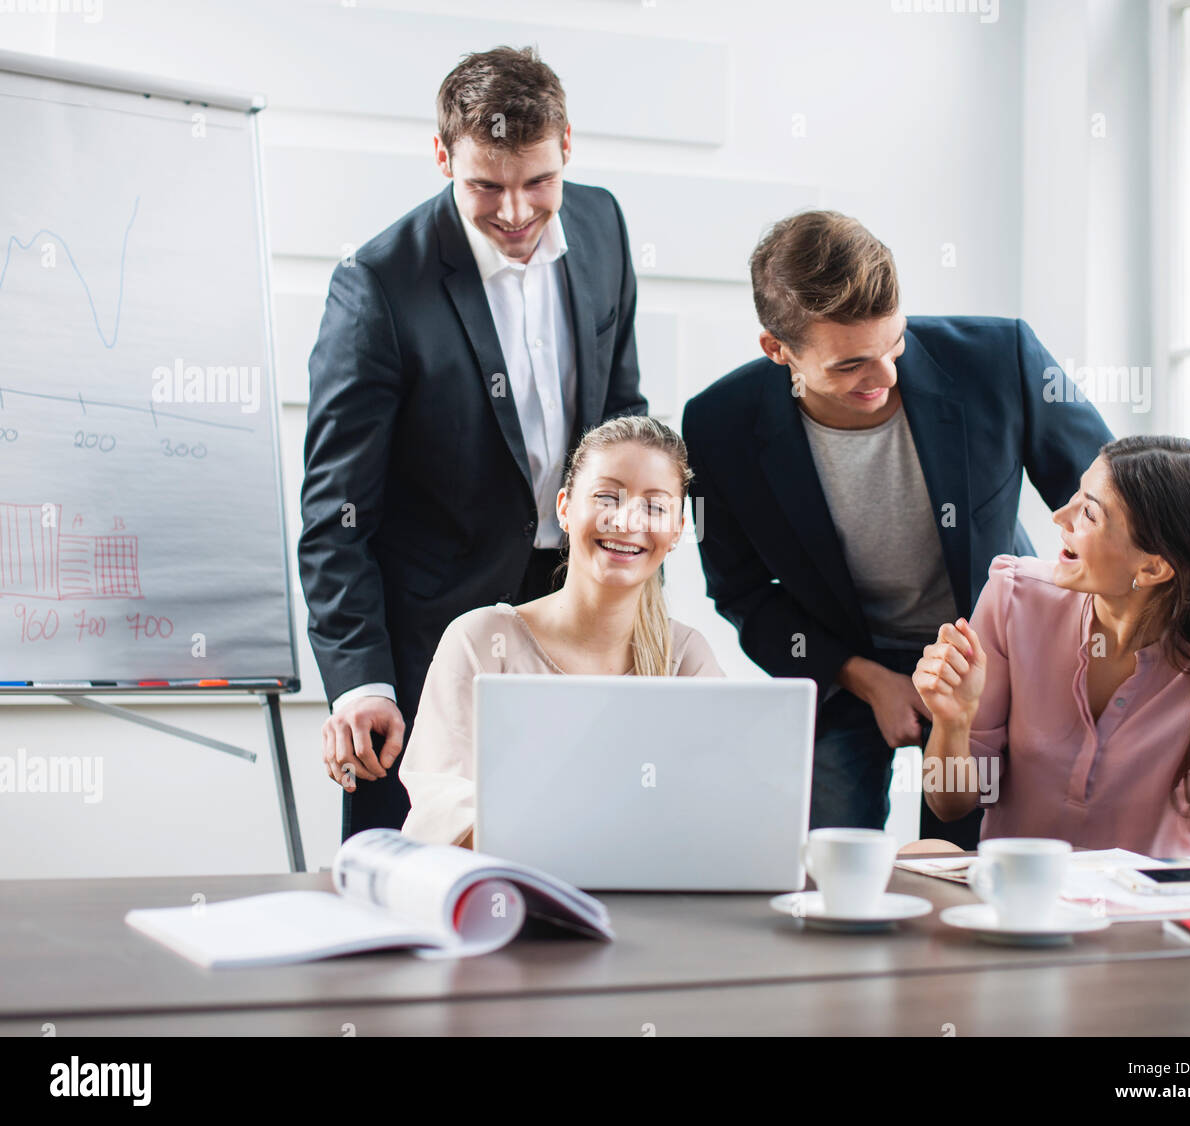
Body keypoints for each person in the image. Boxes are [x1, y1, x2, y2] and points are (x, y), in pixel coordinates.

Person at [298, 47, 647, 841]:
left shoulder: (603, 225)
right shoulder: (378, 286)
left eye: (538, 182)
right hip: (429, 639)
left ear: (567, 145)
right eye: (486, 186)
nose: (516, 212)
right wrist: (363, 685)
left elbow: (623, 411)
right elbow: (336, 516)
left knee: (583, 851)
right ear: (442, 156)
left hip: (578, 613)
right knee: (416, 869)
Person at [681, 210, 1113, 848]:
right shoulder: (717, 424)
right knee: (825, 860)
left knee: (970, 858)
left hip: (993, 653)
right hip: (843, 664)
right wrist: (865, 678)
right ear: (777, 350)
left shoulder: (1001, 358)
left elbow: (1112, 502)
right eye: (850, 365)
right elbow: (742, 593)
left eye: (895, 345)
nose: (886, 378)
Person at [911, 436, 1190, 864]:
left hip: (1146, 896)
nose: (1060, 516)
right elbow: (952, 804)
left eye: (1090, 513)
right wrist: (953, 721)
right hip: (1020, 887)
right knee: (923, 851)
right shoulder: (1014, 598)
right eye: (1076, 496)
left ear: (1152, 567)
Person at [400, 416, 724, 848]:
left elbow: (716, 805)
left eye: (655, 506)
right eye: (607, 496)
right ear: (565, 509)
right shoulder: (480, 642)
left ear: (677, 530)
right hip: (510, 883)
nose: (627, 521)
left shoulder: (684, 657)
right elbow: (440, 809)